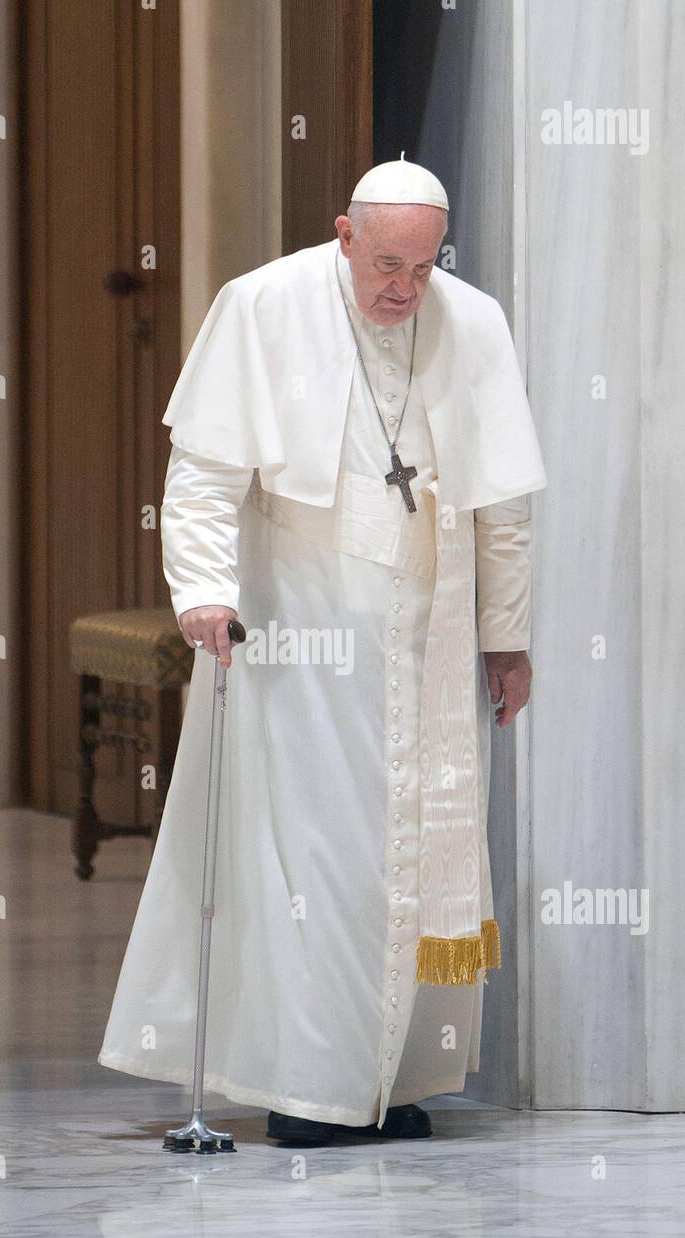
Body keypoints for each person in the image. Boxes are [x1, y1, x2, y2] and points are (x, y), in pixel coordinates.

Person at [98, 158, 548, 1145]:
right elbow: (206, 473)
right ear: (344, 234)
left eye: (421, 269)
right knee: (311, 857)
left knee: (417, 853)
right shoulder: (259, 307)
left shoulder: (472, 321)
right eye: (385, 263)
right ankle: (307, 1083)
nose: (403, 288)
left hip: (427, 635)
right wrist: (205, 592)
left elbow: (501, 502)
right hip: (299, 629)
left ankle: (396, 1079)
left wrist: (505, 635)